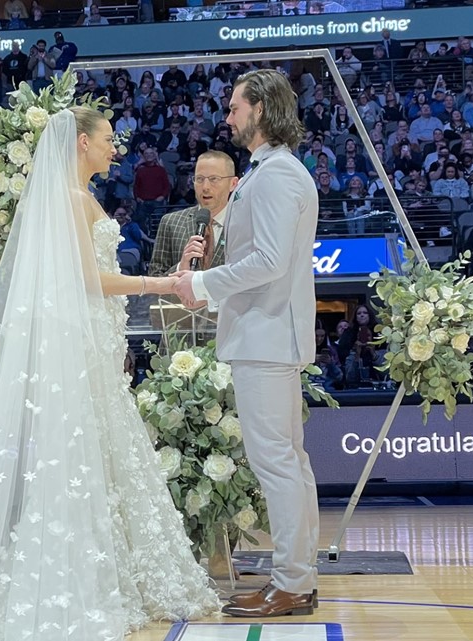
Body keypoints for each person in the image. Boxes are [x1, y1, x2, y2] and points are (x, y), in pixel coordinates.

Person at [0, 107, 219, 641]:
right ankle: (83, 575)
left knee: (103, 450)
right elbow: (88, 279)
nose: (115, 149)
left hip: (97, 339)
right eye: (108, 139)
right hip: (83, 341)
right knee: (82, 450)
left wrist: (164, 280)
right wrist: (161, 285)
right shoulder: (72, 200)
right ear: (81, 142)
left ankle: (113, 570)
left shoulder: (80, 197)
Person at [172, 69, 320, 617]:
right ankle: (297, 576)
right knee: (290, 463)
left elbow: (269, 262)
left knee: (278, 464)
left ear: (261, 109)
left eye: (235, 107)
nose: (228, 116)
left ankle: (292, 582)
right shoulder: (271, 171)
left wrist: (202, 283)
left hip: (266, 336)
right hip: (268, 335)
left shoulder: (277, 175)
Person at [149, 151, 238, 276]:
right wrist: (180, 267)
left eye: (214, 179)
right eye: (199, 179)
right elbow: (155, 278)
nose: (205, 187)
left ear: (233, 184)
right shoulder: (171, 222)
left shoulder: (246, 225)